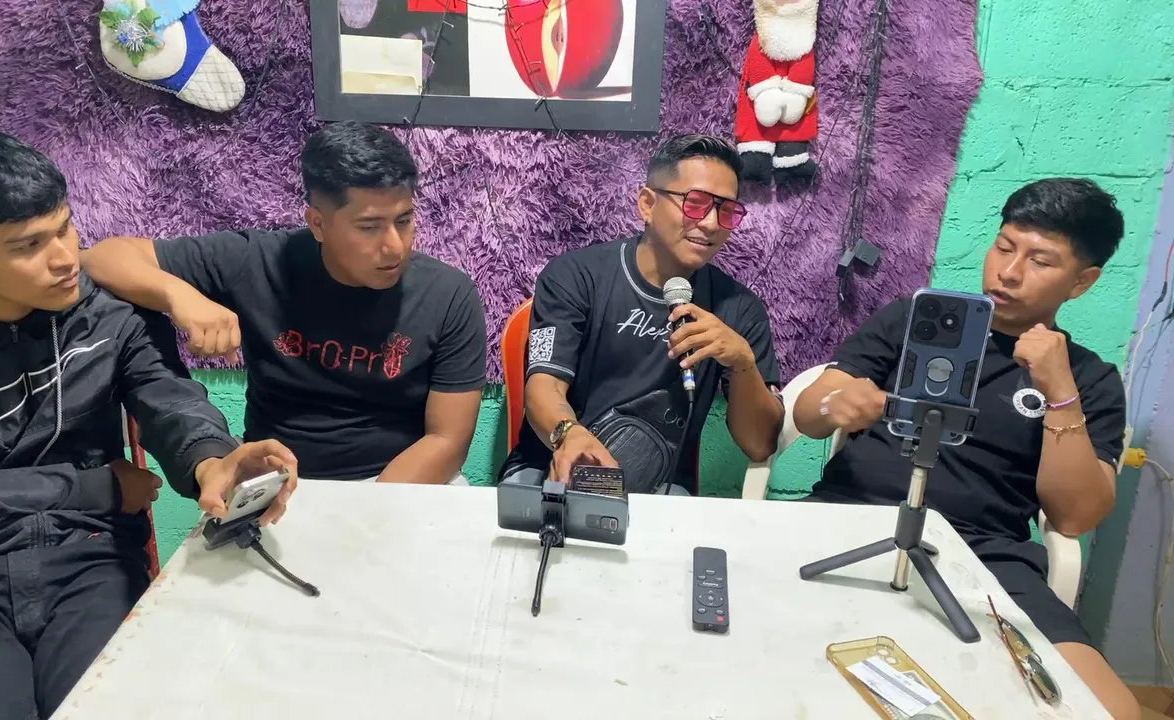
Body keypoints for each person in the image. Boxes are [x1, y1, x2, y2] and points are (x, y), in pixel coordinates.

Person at [0, 128, 299, 720]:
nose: (65, 258)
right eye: (28, 245)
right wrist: (90, 486)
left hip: (91, 557)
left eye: (64, 228)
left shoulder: (108, 311)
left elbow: (167, 398)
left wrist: (213, 459)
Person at [793, 178, 1140, 720]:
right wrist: (834, 403)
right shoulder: (913, 320)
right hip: (846, 516)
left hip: (987, 555)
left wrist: (1060, 393)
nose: (1009, 272)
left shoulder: (1089, 378)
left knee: (1114, 710)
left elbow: (1075, 517)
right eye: (1004, 247)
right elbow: (808, 414)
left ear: (1081, 282)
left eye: (1040, 261)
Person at [82, 122, 486, 484]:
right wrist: (179, 296)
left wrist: (366, 516)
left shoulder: (449, 294)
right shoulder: (255, 261)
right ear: (318, 224)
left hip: (404, 483)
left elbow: (447, 440)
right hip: (278, 481)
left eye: (404, 220)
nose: (394, 246)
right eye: (369, 227)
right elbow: (100, 258)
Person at [499, 134, 784, 495]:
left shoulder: (739, 308)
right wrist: (568, 434)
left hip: (660, 487)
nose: (712, 223)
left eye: (726, 210)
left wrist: (743, 363)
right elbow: (544, 385)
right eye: (695, 203)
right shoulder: (576, 276)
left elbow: (759, 446)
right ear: (647, 204)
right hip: (551, 468)